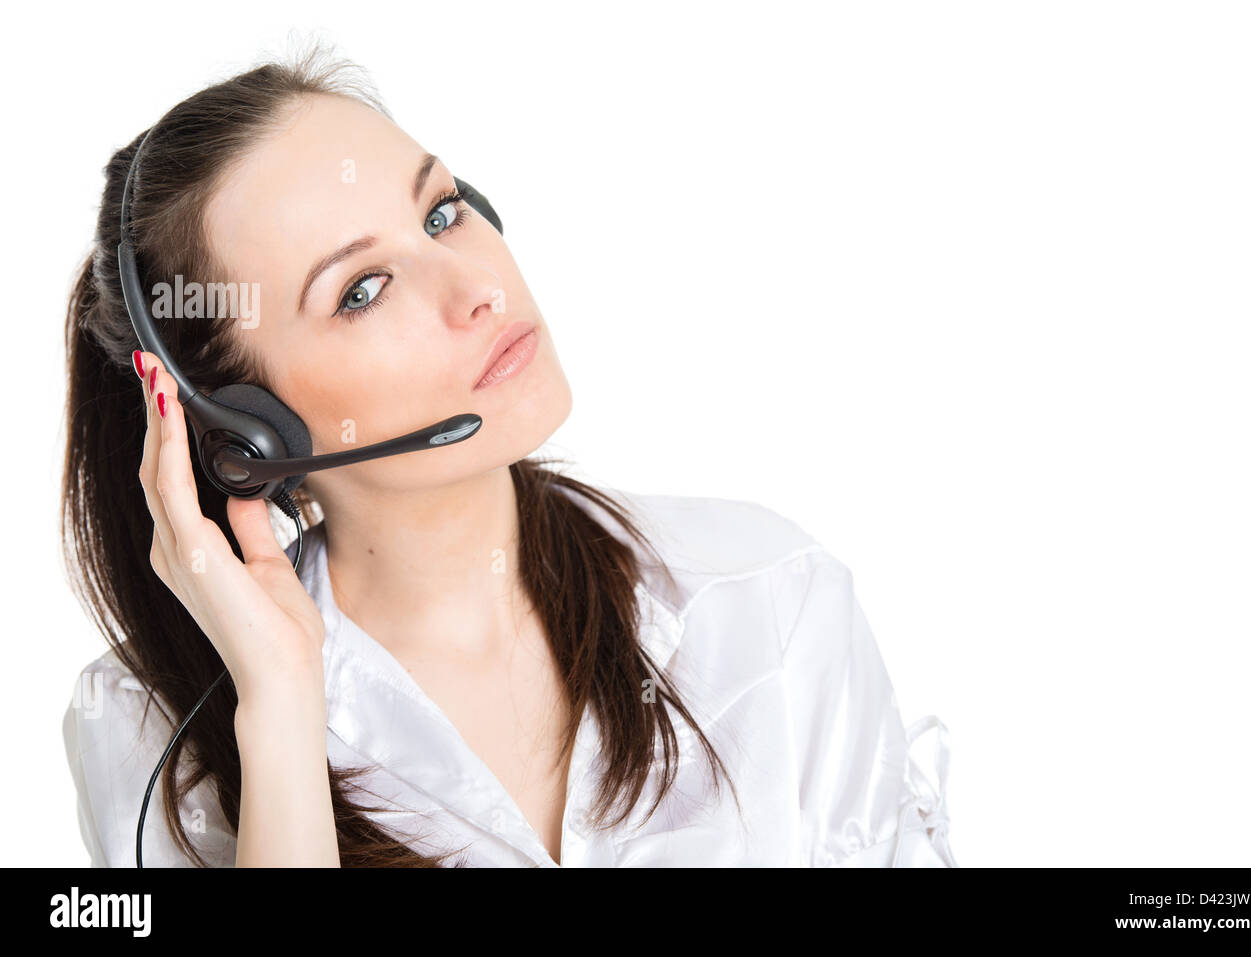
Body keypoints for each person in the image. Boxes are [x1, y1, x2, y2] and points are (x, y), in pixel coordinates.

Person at [60, 43, 956, 868]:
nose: (479, 288)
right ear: (246, 433)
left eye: (442, 213)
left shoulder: (769, 599)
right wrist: (281, 712)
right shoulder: (146, 739)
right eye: (362, 289)